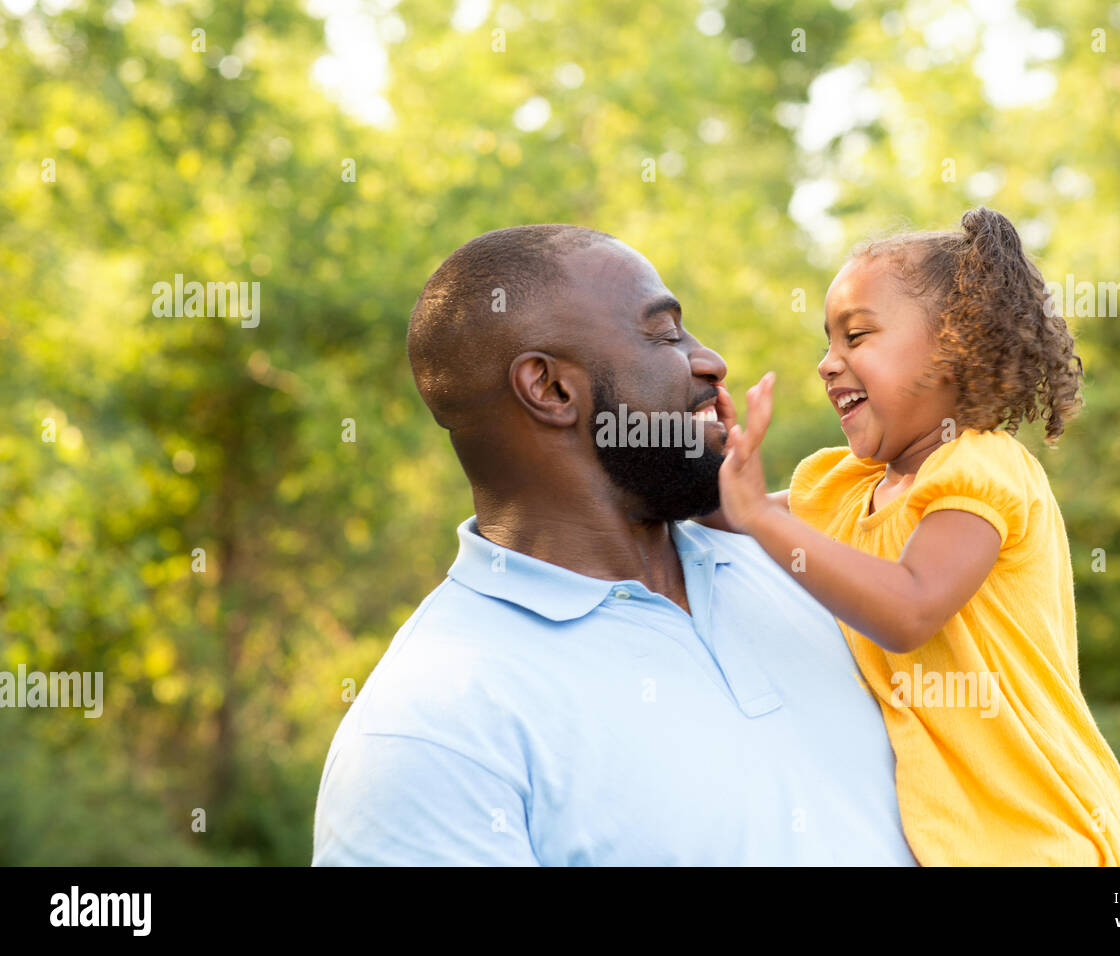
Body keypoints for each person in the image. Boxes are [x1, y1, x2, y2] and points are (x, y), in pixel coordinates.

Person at [311, 224, 918, 865]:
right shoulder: (430, 728)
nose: (711, 362)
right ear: (549, 389)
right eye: (665, 334)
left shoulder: (811, 572)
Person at [711, 207, 1120, 865]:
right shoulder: (845, 487)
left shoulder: (980, 467)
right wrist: (713, 454)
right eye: (826, 343)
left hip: (1046, 833)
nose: (828, 364)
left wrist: (761, 516)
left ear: (955, 345)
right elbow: (725, 513)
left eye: (856, 336)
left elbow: (909, 607)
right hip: (953, 843)